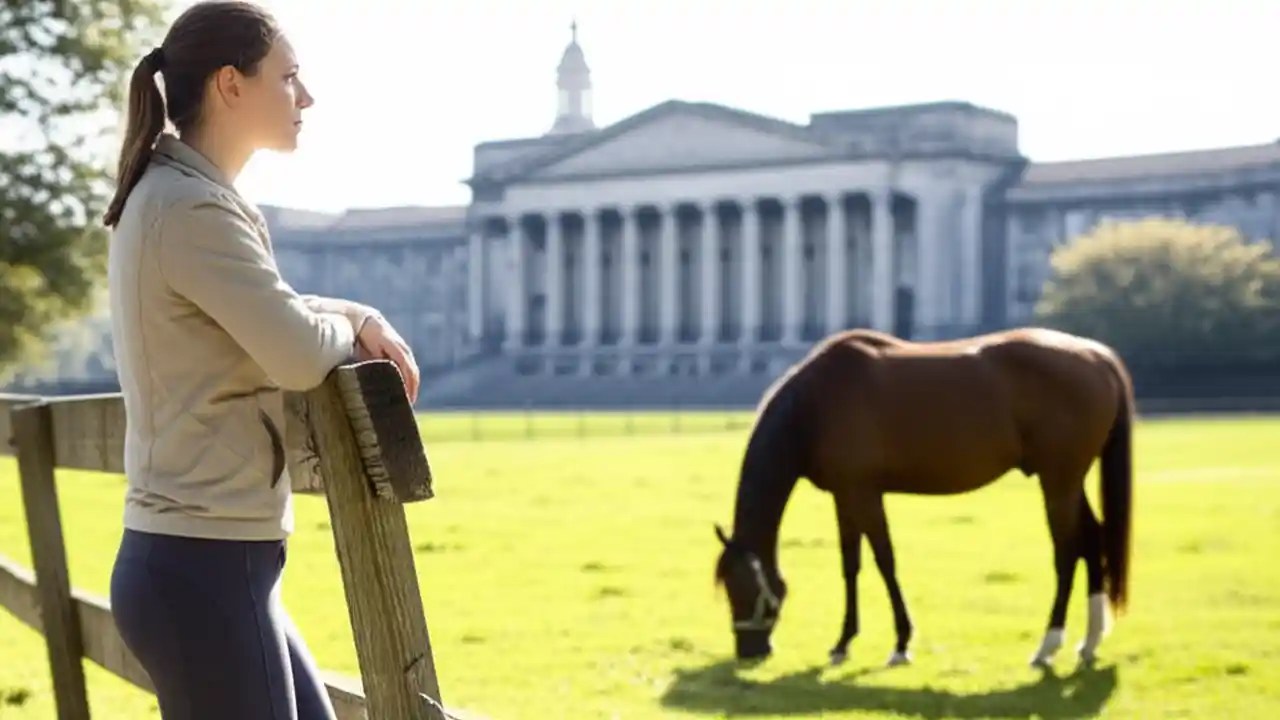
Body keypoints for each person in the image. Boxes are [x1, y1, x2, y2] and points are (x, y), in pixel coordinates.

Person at [102, 2, 420, 718]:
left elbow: (263, 308)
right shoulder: (188, 209)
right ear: (230, 85)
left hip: (209, 564)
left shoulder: (183, 198)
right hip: (201, 567)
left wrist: (356, 314)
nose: (306, 98)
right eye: (289, 77)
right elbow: (298, 351)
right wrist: (342, 327)